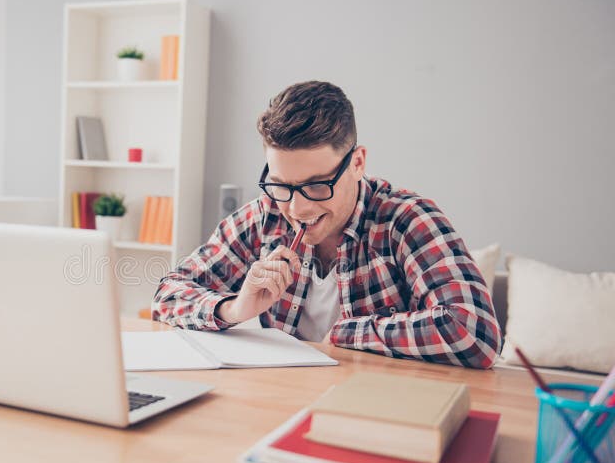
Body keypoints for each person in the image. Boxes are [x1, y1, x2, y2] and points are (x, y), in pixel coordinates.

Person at [152, 81, 501, 368]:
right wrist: (235, 308)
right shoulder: (265, 215)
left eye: (317, 185)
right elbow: (167, 296)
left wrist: (344, 333)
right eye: (281, 185)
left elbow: (474, 332)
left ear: (358, 162)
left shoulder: (406, 220)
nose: (297, 207)